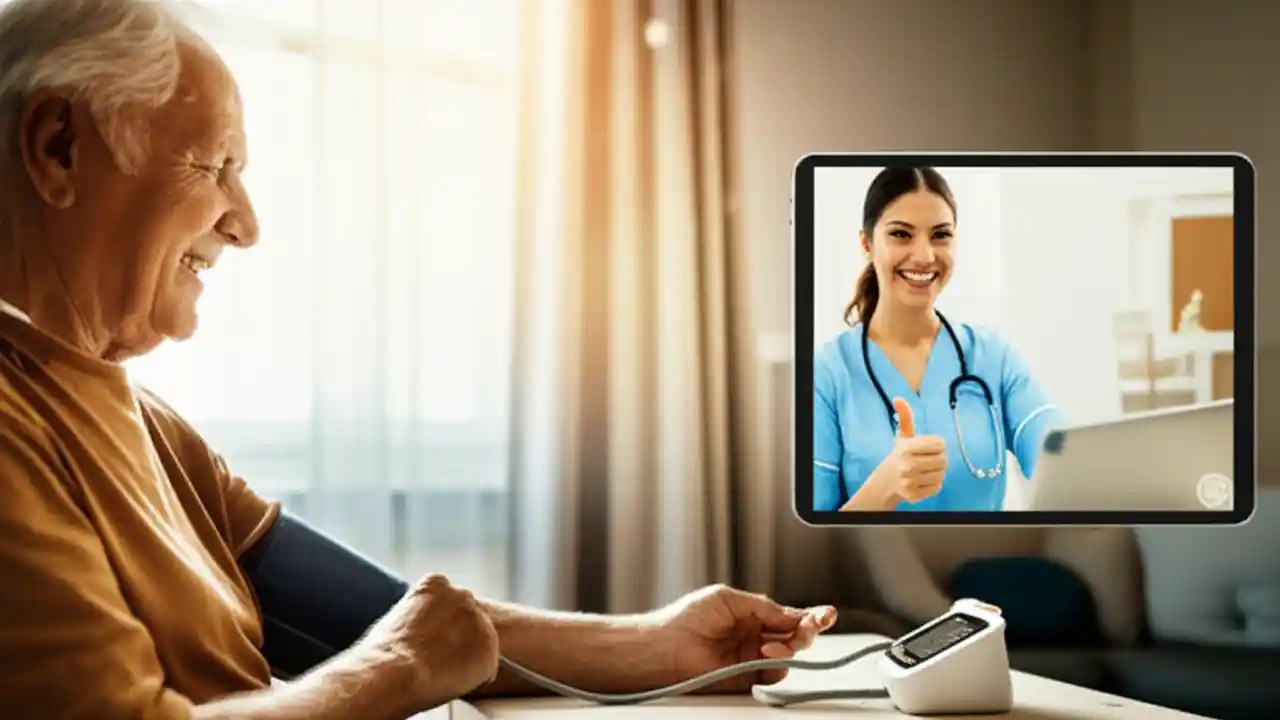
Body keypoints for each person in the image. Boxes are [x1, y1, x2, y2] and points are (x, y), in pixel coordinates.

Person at [0, 1, 837, 718]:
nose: (244, 223)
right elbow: (400, 648)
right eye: (216, 166)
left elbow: (389, 618)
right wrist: (393, 673)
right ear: (58, 147)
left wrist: (655, 642)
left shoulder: (151, 424)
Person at [812, 167, 1063, 512]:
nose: (925, 256)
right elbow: (812, 546)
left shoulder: (994, 358)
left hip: (985, 561)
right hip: (880, 566)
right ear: (867, 243)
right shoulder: (825, 374)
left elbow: (1060, 457)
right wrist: (885, 487)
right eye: (901, 234)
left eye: (940, 235)